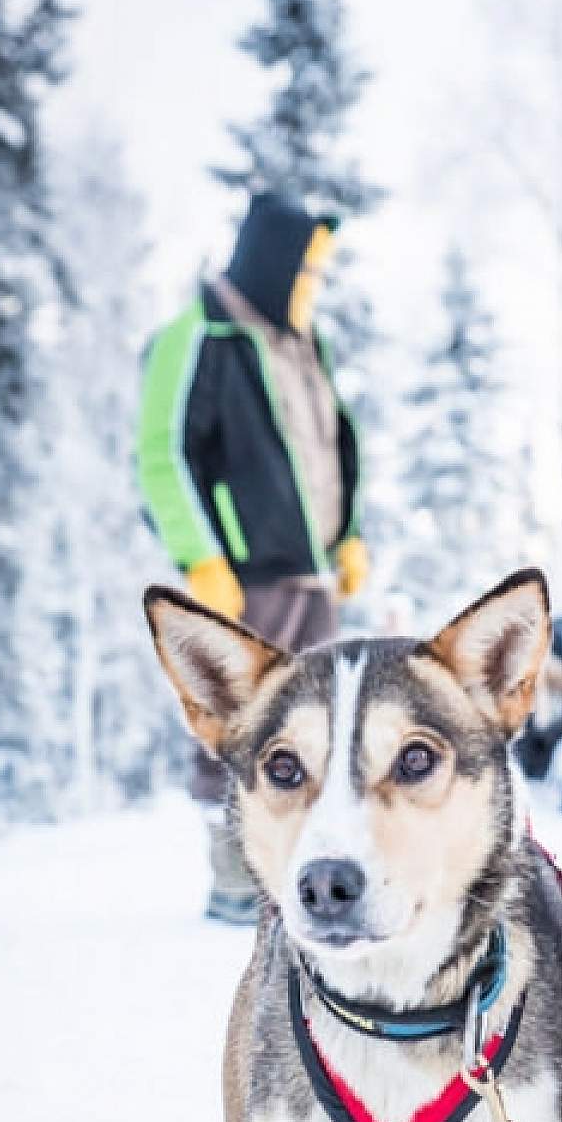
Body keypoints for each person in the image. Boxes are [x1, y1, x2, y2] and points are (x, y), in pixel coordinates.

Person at [136, 191, 369, 921]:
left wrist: (347, 534)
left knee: (320, 726)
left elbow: (334, 449)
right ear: (272, 266)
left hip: (312, 572)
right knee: (236, 717)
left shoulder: (308, 345)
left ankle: (298, 867)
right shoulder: (200, 336)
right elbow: (161, 456)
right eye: (306, 275)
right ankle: (235, 874)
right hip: (243, 580)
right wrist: (201, 557)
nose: (313, 291)